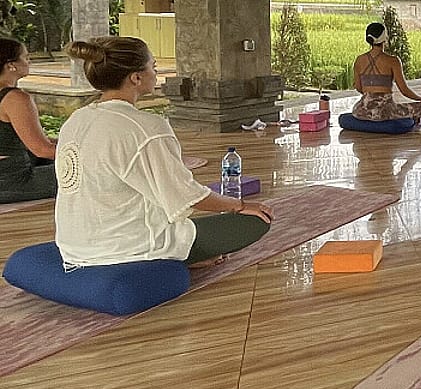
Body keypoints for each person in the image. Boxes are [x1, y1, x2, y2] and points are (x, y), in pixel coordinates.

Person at [55, 37, 273, 268]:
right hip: (127, 248)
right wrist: (238, 205)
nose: (156, 73)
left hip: (72, 245)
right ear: (136, 77)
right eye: (153, 67)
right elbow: (187, 196)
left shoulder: (76, 119)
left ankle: (183, 257)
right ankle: (174, 259)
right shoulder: (146, 127)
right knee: (257, 222)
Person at [0, 38, 58, 203]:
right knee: (84, 170)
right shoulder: (15, 98)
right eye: (25, 57)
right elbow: (43, 150)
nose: (29, 61)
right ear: (11, 65)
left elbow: (27, 139)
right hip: (11, 180)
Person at [351, 22, 421, 122]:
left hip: (361, 111)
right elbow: (404, 90)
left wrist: (371, 95)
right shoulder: (393, 61)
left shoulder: (359, 60)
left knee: (373, 109)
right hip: (383, 111)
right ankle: (411, 120)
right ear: (384, 37)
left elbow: (358, 88)